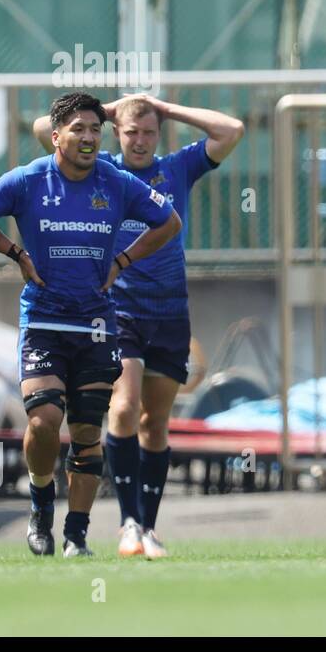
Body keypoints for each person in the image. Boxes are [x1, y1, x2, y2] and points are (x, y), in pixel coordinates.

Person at [0, 92, 181, 557]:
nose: (88, 138)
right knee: (44, 419)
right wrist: (16, 254)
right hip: (43, 318)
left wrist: (122, 259)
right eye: (78, 129)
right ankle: (41, 503)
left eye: (96, 130)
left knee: (84, 432)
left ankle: (77, 534)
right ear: (55, 136)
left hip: (96, 324)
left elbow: (169, 222)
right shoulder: (28, 179)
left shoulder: (116, 182)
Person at [33, 94, 244, 558]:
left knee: (156, 421)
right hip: (119, 310)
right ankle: (127, 522)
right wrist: (110, 110)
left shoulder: (177, 168)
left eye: (149, 132)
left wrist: (165, 107)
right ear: (117, 134)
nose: (141, 141)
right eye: (132, 132)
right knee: (124, 409)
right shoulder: (104, 168)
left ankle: (147, 527)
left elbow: (231, 129)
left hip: (169, 312)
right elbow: (39, 128)